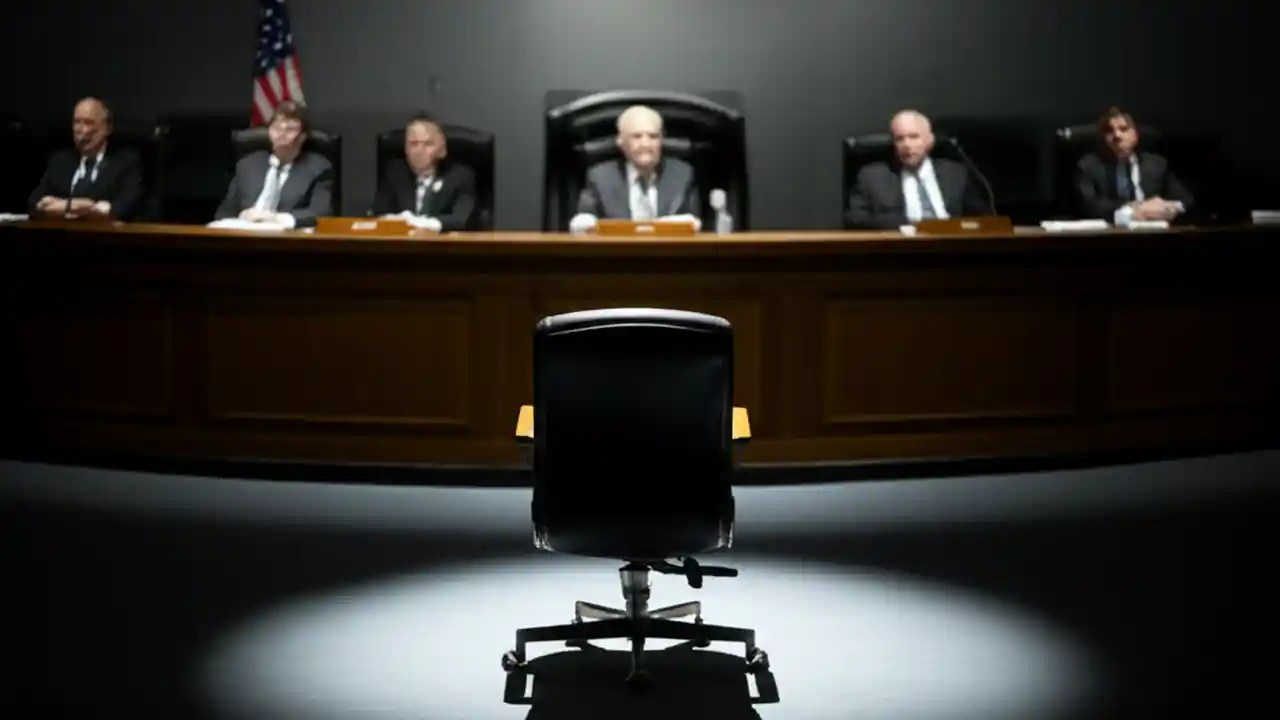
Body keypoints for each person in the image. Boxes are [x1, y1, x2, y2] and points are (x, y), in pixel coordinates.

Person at [845, 109, 987, 230]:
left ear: (929, 140)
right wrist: (906, 225)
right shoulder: (872, 176)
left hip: (952, 246)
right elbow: (854, 219)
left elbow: (983, 217)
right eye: (900, 139)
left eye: (914, 137)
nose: (907, 144)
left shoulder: (956, 173)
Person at [570, 104, 701, 233]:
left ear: (661, 140)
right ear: (620, 141)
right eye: (637, 136)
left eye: (653, 136)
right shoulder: (600, 177)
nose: (646, 144)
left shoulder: (682, 174)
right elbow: (583, 226)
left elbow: (695, 227)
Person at [214, 101, 332, 228]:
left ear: (303, 136)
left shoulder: (319, 168)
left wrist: (275, 218)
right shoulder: (247, 165)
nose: (281, 134)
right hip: (245, 236)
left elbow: (321, 213)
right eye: (276, 128)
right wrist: (241, 215)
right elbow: (224, 212)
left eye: (290, 129)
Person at [28, 97, 144, 221]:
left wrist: (60, 207)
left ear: (107, 128)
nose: (81, 130)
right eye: (77, 122)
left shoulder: (126, 162)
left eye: (89, 123)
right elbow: (35, 203)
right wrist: (77, 206)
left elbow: (121, 208)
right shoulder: (60, 161)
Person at [1073, 107, 1193, 224]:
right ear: (1102, 138)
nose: (1117, 136)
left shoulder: (1157, 164)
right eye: (1109, 131)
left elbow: (1186, 200)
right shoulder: (1087, 166)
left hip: (1155, 230)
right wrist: (1134, 208)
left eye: (1123, 129)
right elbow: (1089, 206)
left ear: (1135, 136)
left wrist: (1169, 208)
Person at [371, 113, 477, 231]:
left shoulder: (460, 176)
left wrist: (422, 223)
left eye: (428, 144)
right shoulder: (395, 172)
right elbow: (378, 214)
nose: (419, 150)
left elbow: (459, 220)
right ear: (405, 147)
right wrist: (398, 220)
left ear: (442, 149)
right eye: (413, 143)